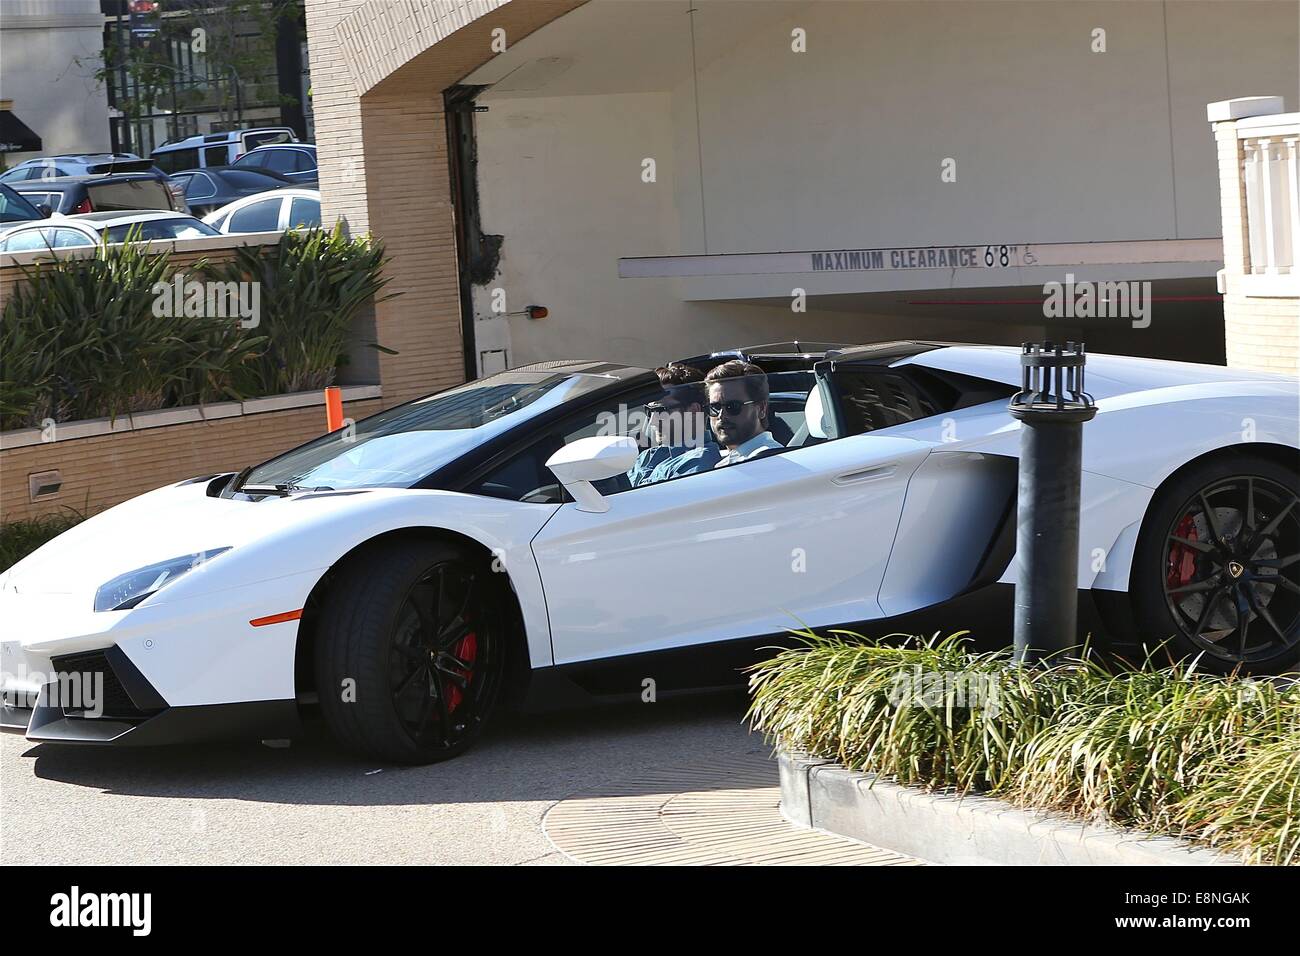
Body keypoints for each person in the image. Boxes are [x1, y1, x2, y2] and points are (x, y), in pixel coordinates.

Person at [645, 360, 780, 482]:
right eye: (714, 407)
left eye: (733, 407)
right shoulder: (726, 462)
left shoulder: (769, 460)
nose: (721, 415)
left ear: (761, 409)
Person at [626, 364, 718, 486]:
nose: (653, 420)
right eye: (649, 411)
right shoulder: (646, 456)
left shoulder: (700, 460)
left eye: (662, 410)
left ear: (694, 411)